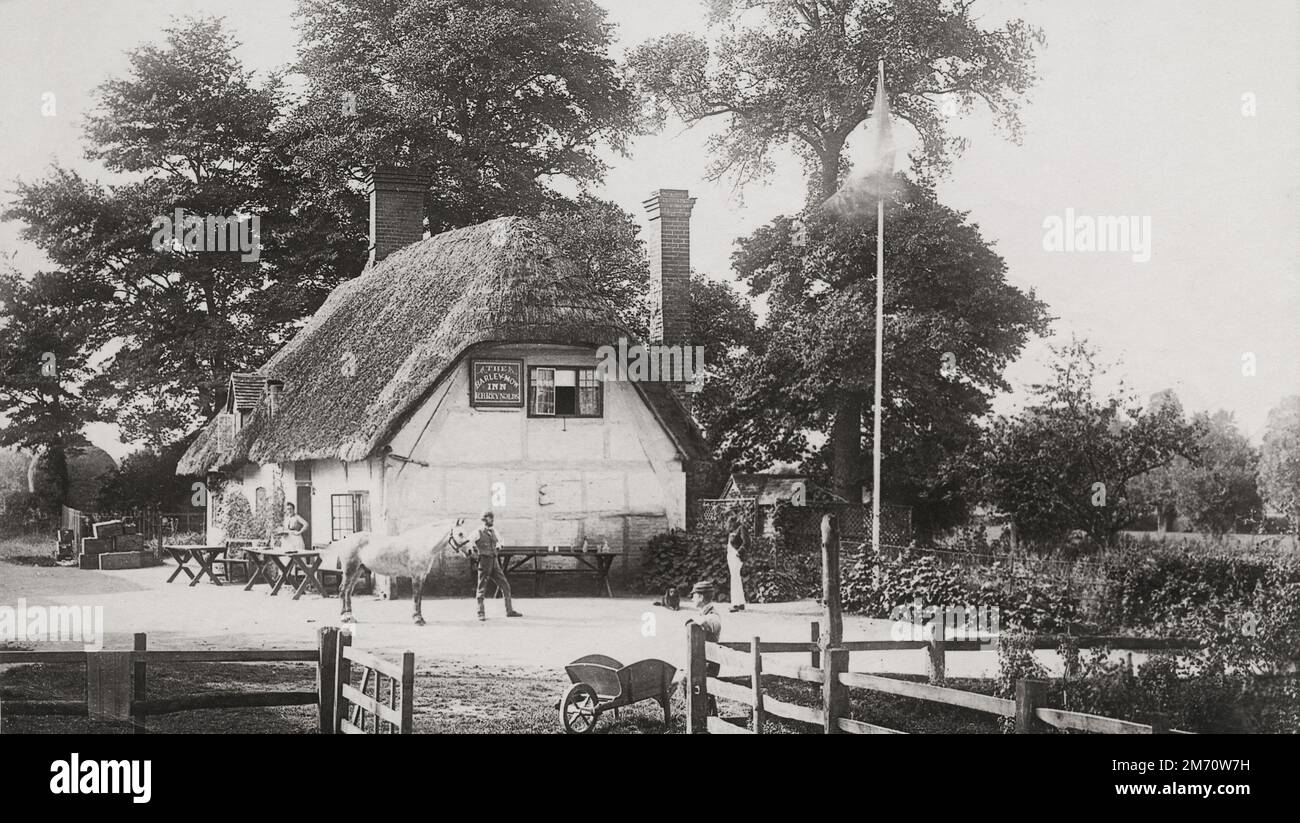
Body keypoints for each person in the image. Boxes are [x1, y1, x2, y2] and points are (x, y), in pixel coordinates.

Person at [470, 510, 522, 621]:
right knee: (481, 588)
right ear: (484, 519)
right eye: (490, 517)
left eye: (492, 517)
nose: (492, 519)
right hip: (484, 562)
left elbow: (501, 541)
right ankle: (480, 613)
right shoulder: (477, 532)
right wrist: (475, 554)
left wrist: (498, 546)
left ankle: (509, 610)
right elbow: (468, 543)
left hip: (495, 562)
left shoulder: (494, 531)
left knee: (505, 585)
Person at [686, 580, 722, 715]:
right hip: (702, 660)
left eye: (694, 595)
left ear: (701, 597)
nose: (692, 599)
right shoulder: (703, 613)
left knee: (705, 691)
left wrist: (696, 620)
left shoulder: (712, 614)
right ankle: (707, 718)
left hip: (710, 661)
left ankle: (707, 719)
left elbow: (713, 624)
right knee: (703, 691)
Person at [725, 517, 748, 613]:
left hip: (736, 557)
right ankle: (741, 603)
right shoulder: (732, 530)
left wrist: (739, 552)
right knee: (736, 579)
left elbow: (747, 542)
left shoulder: (741, 528)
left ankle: (735, 604)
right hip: (731, 556)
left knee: (735, 579)